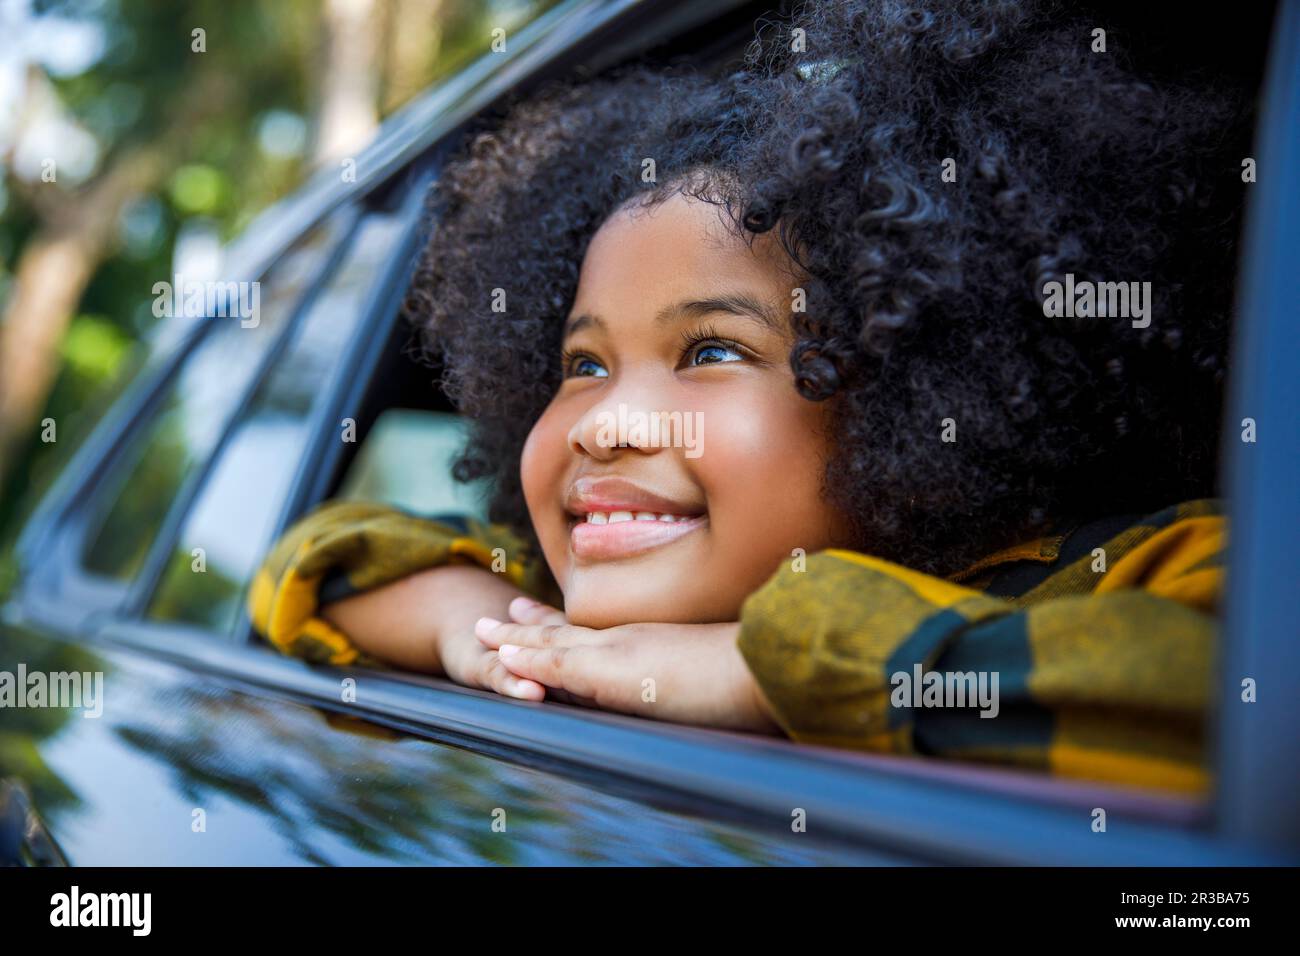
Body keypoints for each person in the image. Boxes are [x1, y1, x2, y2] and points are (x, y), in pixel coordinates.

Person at [250, 0, 1250, 793]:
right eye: (583, 364)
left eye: (711, 349)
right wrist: (476, 629)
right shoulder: (572, 606)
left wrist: (751, 668)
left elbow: (1229, 706)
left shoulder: (1126, 578)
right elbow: (314, 558)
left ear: (909, 389)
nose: (606, 421)